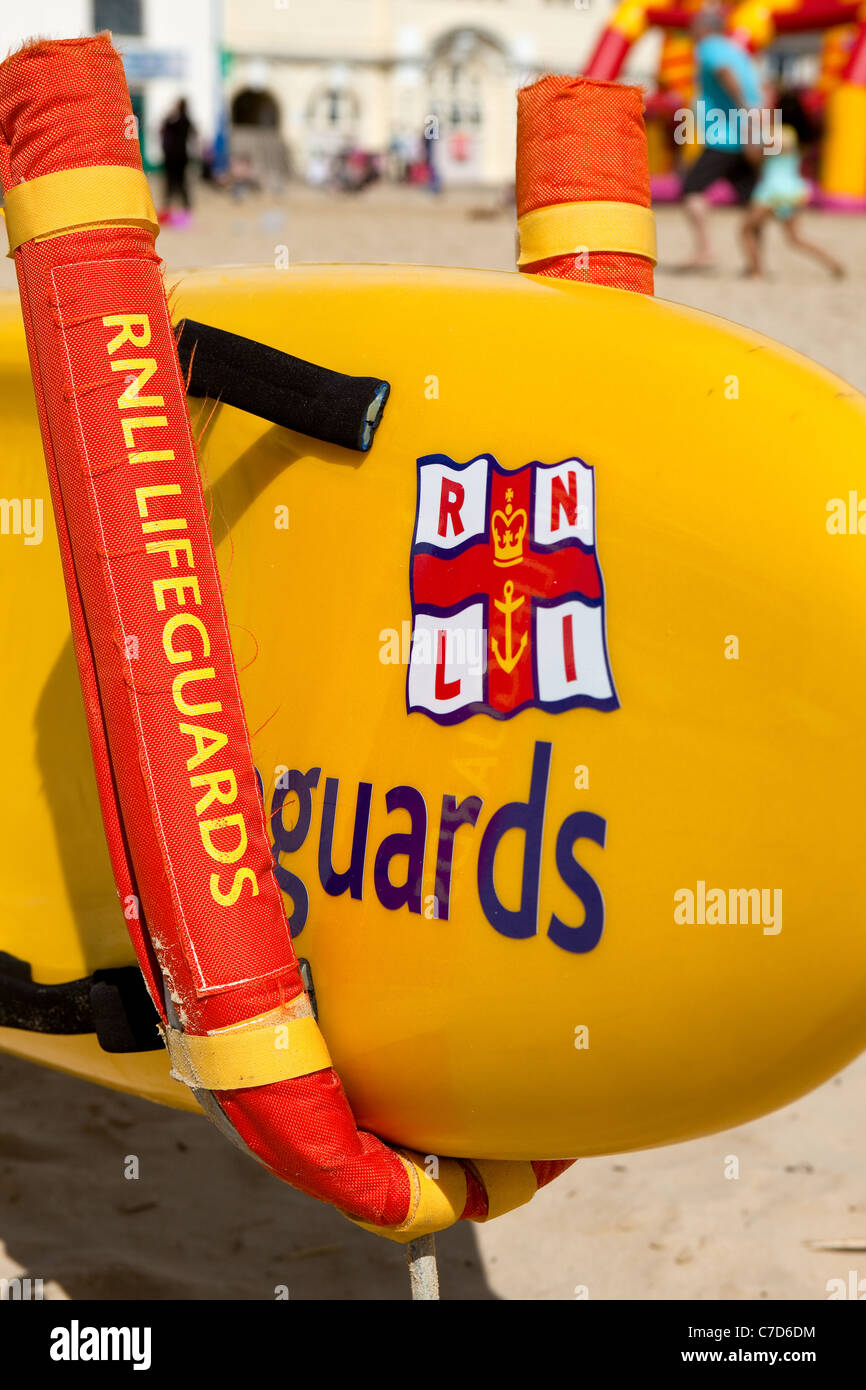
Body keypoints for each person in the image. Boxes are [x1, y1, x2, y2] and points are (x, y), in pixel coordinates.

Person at [680, 5, 763, 268]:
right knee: (751, 200)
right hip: (745, 136)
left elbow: (724, 73)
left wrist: (743, 110)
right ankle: (756, 264)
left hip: (723, 138)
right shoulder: (736, 49)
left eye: (693, 26)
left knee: (692, 188)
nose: (690, 31)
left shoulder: (709, 46)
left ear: (705, 28)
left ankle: (705, 250)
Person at [741, 125, 844, 277]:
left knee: (746, 230)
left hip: (771, 193)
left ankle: (757, 270)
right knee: (794, 238)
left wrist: (750, 142)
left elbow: (754, 157)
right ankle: (832, 262)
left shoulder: (771, 139)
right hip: (793, 192)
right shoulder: (791, 142)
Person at [160, 98, 196, 219]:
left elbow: (164, 127)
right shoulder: (187, 121)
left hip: (172, 156)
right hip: (182, 155)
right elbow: (194, 133)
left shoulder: (175, 121)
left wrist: (169, 115)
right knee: (182, 182)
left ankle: (168, 205)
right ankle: (186, 206)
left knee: (170, 182)